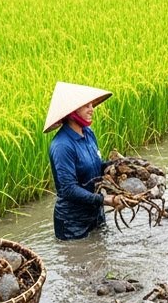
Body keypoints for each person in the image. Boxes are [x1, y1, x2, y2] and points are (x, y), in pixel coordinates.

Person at [44, 81, 125, 241]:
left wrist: (118, 167)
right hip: (72, 223)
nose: (92, 109)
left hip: (95, 213)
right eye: (86, 106)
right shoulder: (62, 145)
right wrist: (106, 200)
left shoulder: (88, 133)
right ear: (72, 112)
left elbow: (96, 168)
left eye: (91, 104)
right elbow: (68, 189)